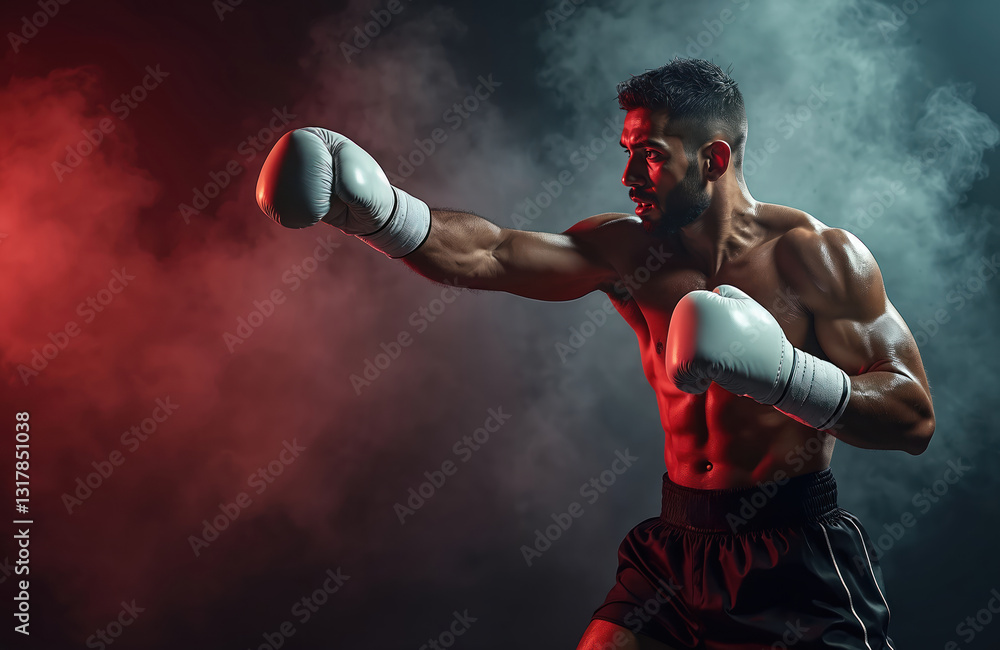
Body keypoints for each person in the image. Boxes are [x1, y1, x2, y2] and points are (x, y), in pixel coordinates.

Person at [255, 58, 934, 649]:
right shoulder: (629, 251)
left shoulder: (815, 256)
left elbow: (912, 417)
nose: (629, 175)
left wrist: (783, 375)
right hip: (675, 547)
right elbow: (494, 253)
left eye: (652, 155)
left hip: (793, 556)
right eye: (627, 150)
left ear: (715, 159)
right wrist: (385, 215)